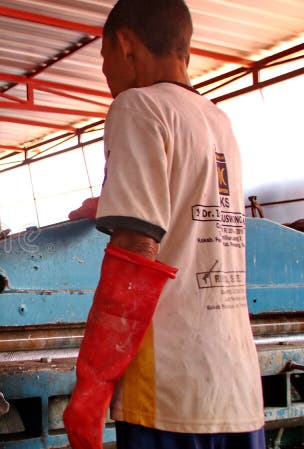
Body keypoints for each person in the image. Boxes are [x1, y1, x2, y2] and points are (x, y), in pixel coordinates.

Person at [62, 1, 265, 449]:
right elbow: (193, 211)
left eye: (103, 60)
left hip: (169, 393)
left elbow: (135, 248)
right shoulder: (219, 121)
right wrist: (115, 200)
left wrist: (93, 386)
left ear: (125, 44)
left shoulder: (138, 106)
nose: (107, 75)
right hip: (235, 388)